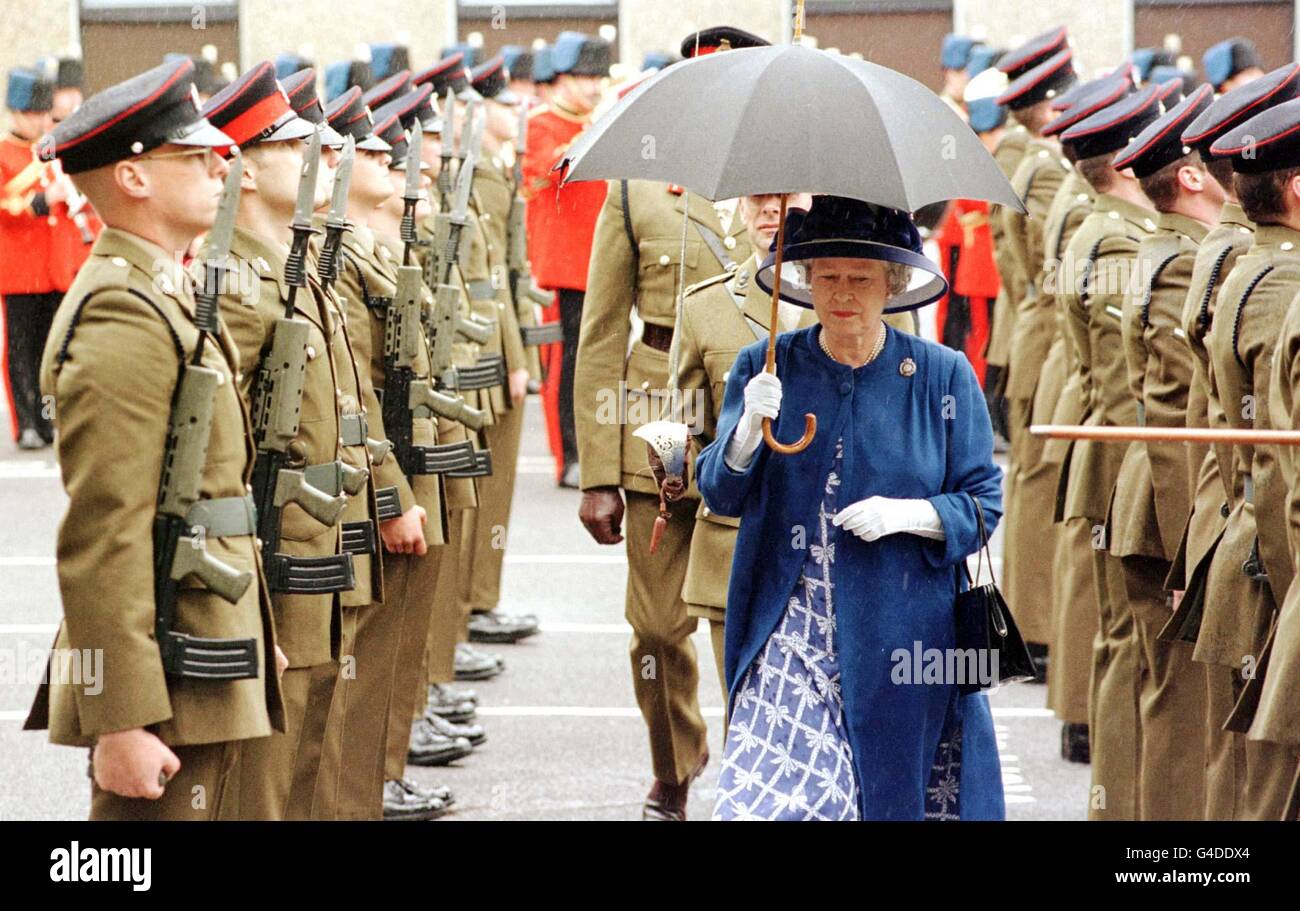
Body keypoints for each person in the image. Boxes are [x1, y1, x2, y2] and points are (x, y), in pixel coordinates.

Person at [22, 56, 286, 820]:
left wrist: (254, 624)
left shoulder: (161, 288)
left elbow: (210, 492)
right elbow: (105, 532)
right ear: (134, 178)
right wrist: (119, 719)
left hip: (206, 639)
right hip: (165, 671)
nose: (218, 164)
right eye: (193, 155)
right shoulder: (121, 311)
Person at [698, 195, 1005, 821]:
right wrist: (749, 431)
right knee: (783, 805)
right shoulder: (766, 365)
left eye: (860, 279)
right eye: (827, 277)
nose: (842, 294)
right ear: (805, 283)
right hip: (791, 630)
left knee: (888, 801)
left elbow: (982, 505)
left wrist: (908, 514)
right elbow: (719, 492)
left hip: (906, 637)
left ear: (891, 285)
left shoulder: (943, 376)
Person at [573, 23, 762, 822]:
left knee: (746, 620)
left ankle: (761, 764)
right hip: (656, 430)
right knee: (656, 630)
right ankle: (676, 762)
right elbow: (599, 332)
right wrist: (596, 472)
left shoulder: (784, 180)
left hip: (756, 423)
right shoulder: (637, 185)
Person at [197, 61, 356, 821]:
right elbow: (215, 446)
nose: (316, 160)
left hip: (308, 547)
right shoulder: (233, 283)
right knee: (258, 777)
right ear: (245, 172)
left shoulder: (285, 271)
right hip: (271, 556)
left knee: (299, 758)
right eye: (294, 149)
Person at [325, 86, 473, 819]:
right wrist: (389, 487)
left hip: (408, 448)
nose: (392, 155)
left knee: (393, 638)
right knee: (368, 647)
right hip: (379, 460)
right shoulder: (342, 258)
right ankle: (365, 782)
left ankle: (382, 767)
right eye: (370, 148)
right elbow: (355, 384)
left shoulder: (376, 247)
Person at [1107, 84, 1222, 818]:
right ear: (1187, 176)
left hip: (1146, 498)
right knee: (1180, 705)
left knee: (1162, 690)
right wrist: (1193, 554)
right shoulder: (1181, 259)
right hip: (1168, 507)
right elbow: (1178, 415)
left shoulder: (1159, 248)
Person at [1056, 83, 1165, 819]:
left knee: (1118, 640)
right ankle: (1122, 807)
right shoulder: (1122, 238)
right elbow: (1134, 382)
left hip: (1102, 447)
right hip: (1124, 455)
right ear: (1126, 165)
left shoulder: (1095, 226)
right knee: (1132, 649)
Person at [1194, 93, 1300, 820]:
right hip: (1271, 560)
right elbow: (1282, 466)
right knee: (1267, 791)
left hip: (1254, 544)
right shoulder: (1284, 280)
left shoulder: (1254, 267)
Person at [671, 192, 815, 698]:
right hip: (736, 548)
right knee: (748, 726)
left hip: (831, 555)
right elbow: (686, 436)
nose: (772, 210)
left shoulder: (858, 298)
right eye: (758, 197)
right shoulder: (705, 307)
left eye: (790, 196)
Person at [1035, 69, 1135, 763]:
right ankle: (1079, 710)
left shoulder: (1082, 206)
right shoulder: (1105, 225)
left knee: (1085, 565)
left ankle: (1077, 706)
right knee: (1099, 578)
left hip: (1080, 392)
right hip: (1100, 405)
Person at [995, 47, 1077, 676]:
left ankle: (1030, 623)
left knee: (1031, 485)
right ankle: (1038, 628)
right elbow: (1055, 271)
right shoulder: (1045, 171)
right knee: (1040, 488)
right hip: (1048, 336)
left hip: (1033, 333)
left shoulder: (1029, 164)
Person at [520, 31, 612, 487]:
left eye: (598, 76)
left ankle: (589, 451)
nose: (594, 86)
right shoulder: (540, 123)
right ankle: (567, 457)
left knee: (596, 363)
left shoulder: (595, 119)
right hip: (562, 268)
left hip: (598, 263)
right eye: (585, 76)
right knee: (566, 365)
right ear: (562, 79)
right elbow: (543, 173)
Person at [1, 65, 95, 449]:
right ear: (17, 113)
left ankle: (49, 420)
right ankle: (25, 423)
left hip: (57, 266)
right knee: (22, 352)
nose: (42, 121)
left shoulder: (50, 150)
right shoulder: (4, 154)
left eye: (44, 114)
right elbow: (6, 204)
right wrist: (42, 200)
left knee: (53, 352)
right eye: (35, 114)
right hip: (20, 270)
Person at [984, 26, 1070, 448]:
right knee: (1038, 478)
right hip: (1043, 327)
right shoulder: (1039, 164)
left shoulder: (1037, 160)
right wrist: (1033, 301)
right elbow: (1034, 257)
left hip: (1034, 320)